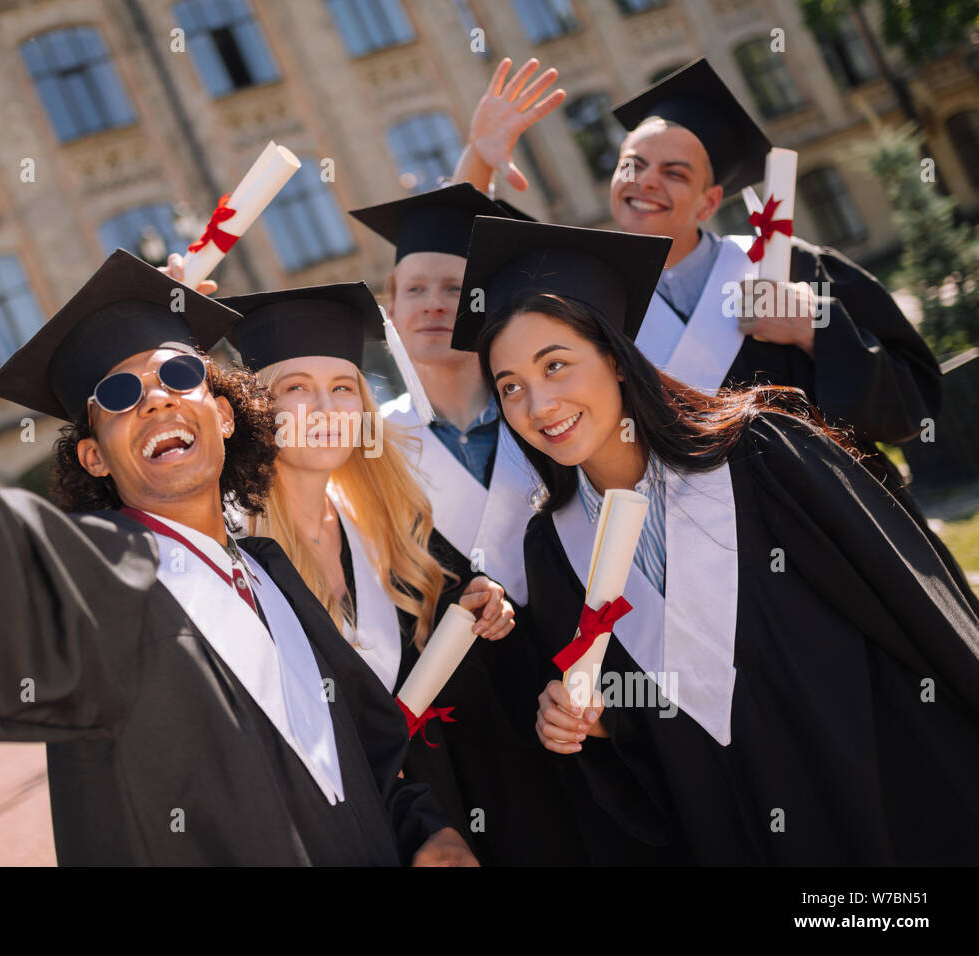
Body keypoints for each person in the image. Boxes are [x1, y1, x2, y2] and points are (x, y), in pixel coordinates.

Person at [0, 107, 479, 867]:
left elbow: (372, 757)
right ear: (95, 458)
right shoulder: (109, 583)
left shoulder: (268, 572)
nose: (157, 396)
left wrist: (429, 832)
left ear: (227, 412)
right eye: (121, 397)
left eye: (176, 373)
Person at [451, 214, 979, 864]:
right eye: (511, 388)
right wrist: (596, 719)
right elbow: (650, 747)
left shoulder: (762, 455)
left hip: (895, 799)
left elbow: (912, 607)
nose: (538, 405)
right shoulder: (555, 551)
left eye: (556, 365)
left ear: (616, 358)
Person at [220, 281, 586, 863]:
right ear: (251, 407)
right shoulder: (233, 556)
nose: (325, 409)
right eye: (296, 388)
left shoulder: (388, 527)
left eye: (343, 387)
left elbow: (481, 668)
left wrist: (483, 608)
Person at [607, 58, 941, 489]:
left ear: (709, 204)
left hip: (841, 520)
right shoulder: (594, 307)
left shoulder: (786, 267)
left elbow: (912, 406)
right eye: (633, 163)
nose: (646, 181)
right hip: (706, 548)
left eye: (674, 172)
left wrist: (815, 328)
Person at [350, 183, 539, 607]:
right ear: (391, 311)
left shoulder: (544, 417)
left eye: (454, 288)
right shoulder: (374, 447)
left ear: (485, 305)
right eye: (415, 289)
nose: (433, 304)